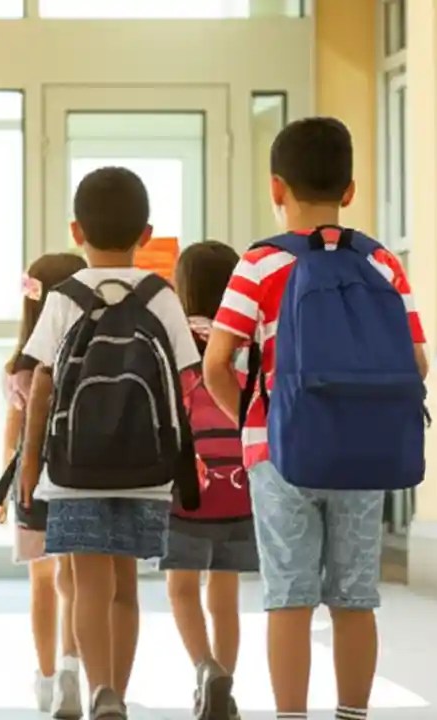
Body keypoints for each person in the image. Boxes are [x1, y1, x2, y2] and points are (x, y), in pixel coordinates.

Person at [203, 117, 430, 720]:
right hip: (362, 453)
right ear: (350, 191)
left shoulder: (257, 265)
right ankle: (352, 714)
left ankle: (291, 717)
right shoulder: (381, 263)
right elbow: (417, 362)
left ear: (276, 189)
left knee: (289, 596)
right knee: (355, 596)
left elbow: (217, 362)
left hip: (278, 455)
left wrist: (258, 422)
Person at [19, 167, 203, 720]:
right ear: (146, 234)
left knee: (89, 583)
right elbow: (186, 383)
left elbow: (41, 389)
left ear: (77, 230)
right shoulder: (160, 296)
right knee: (126, 583)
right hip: (146, 468)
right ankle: (116, 694)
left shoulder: (63, 297)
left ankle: (96, 687)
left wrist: (29, 466)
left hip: (73, 470)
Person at [160, 241, 257, 720]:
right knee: (226, 594)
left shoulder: (172, 338)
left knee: (181, 587)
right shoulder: (243, 340)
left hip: (188, 486)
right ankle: (225, 687)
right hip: (240, 484)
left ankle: (205, 669)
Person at [0, 252, 87, 719]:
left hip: (31, 482)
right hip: (81, 475)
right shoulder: (87, 355)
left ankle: (45, 679)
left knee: (43, 582)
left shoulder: (18, 367)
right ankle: (71, 667)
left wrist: (5, 492)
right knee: (75, 579)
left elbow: (14, 433)